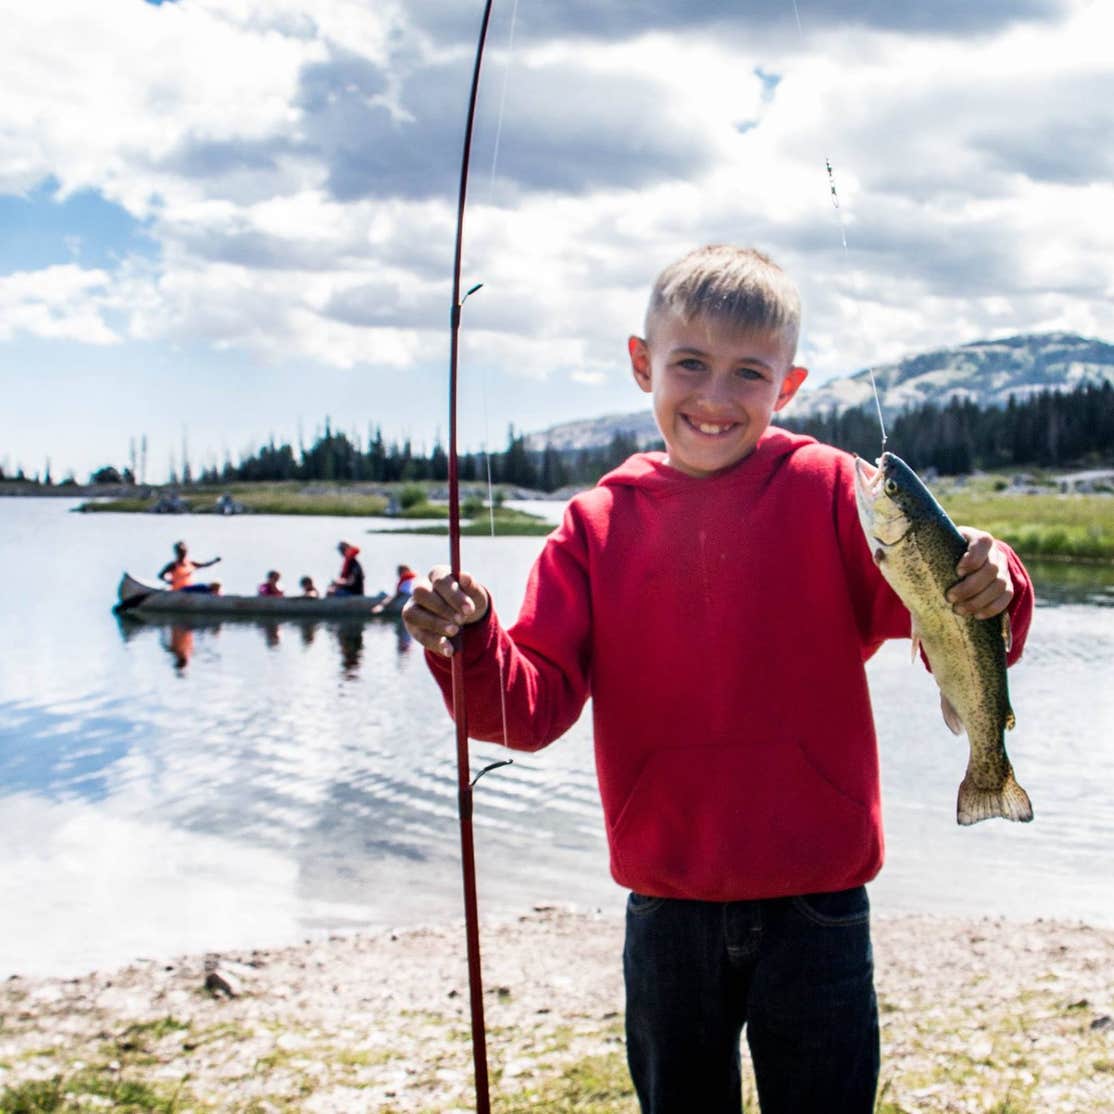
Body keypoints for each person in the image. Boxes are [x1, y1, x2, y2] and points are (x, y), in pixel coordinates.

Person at [402, 245, 1035, 1114]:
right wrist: (470, 643)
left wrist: (996, 575)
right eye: (689, 364)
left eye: (748, 372)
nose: (714, 395)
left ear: (789, 385)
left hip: (820, 898)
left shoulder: (830, 492)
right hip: (666, 904)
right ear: (641, 364)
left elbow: (947, 608)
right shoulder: (591, 526)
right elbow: (528, 709)